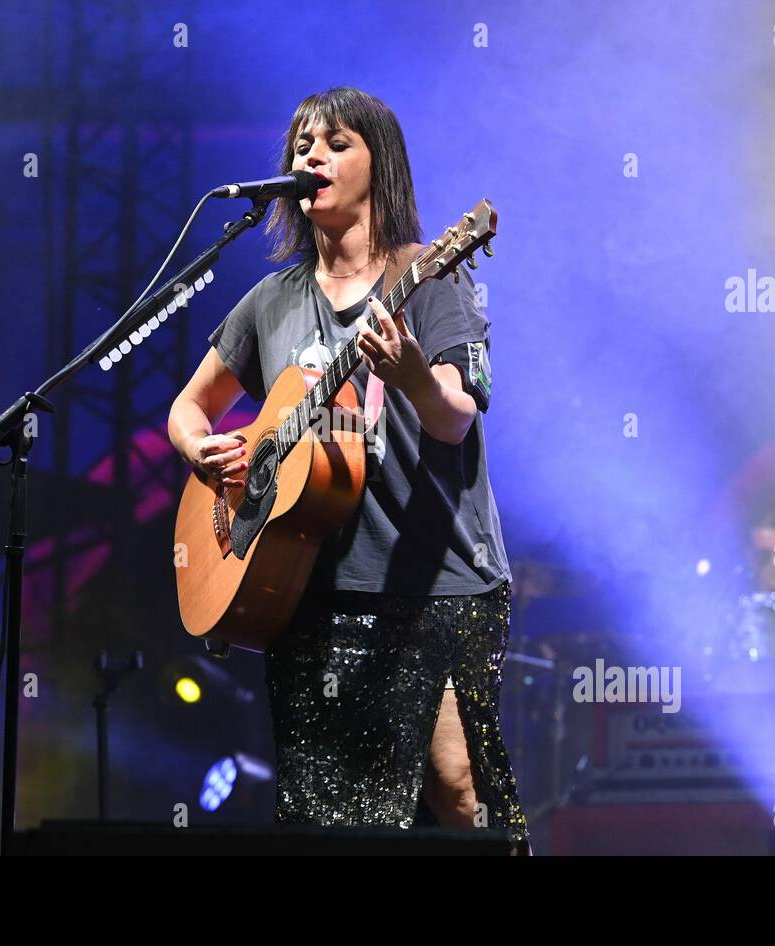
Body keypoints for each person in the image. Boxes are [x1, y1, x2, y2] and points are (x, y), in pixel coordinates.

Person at [167, 87, 528, 844]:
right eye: (301, 144)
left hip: (438, 582)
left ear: (380, 165)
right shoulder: (271, 301)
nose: (311, 156)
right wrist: (203, 449)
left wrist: (412, 379)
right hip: (309, 585)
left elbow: (456, 415)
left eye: (335, 143)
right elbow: (187, 409)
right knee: (327, 815)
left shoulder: (432, 276)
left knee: (460, 790)